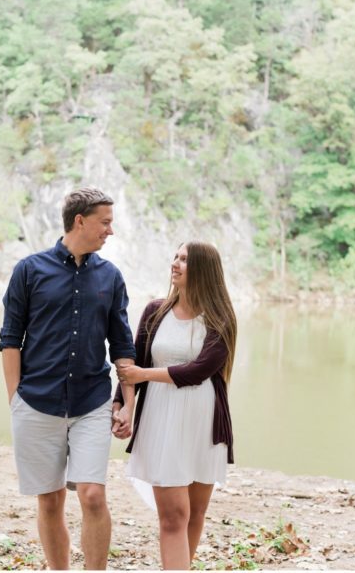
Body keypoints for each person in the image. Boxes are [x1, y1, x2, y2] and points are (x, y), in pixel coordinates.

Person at [0, 187, 136, 571]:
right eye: (105, 222)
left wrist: (129, 402)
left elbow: (122, 344)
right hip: (36, 402)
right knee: (50, 500)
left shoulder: (110, 276)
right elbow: (11, 339)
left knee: (92, 495)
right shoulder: (29, 270)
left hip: (92, 401)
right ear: (80, 221)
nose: (110, 231)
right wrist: (15, 399)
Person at [111, 241, 236, 570]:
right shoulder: (156, 311)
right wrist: (124, 405)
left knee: (195, 515)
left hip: (203, 423)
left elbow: (199, 371)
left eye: (185, 260)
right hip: (161, 419)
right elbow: (132, 366)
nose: (176, 264)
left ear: (204, 271)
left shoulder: (220, 319)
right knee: (173, 517)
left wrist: (143, 373)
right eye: (176, 257)